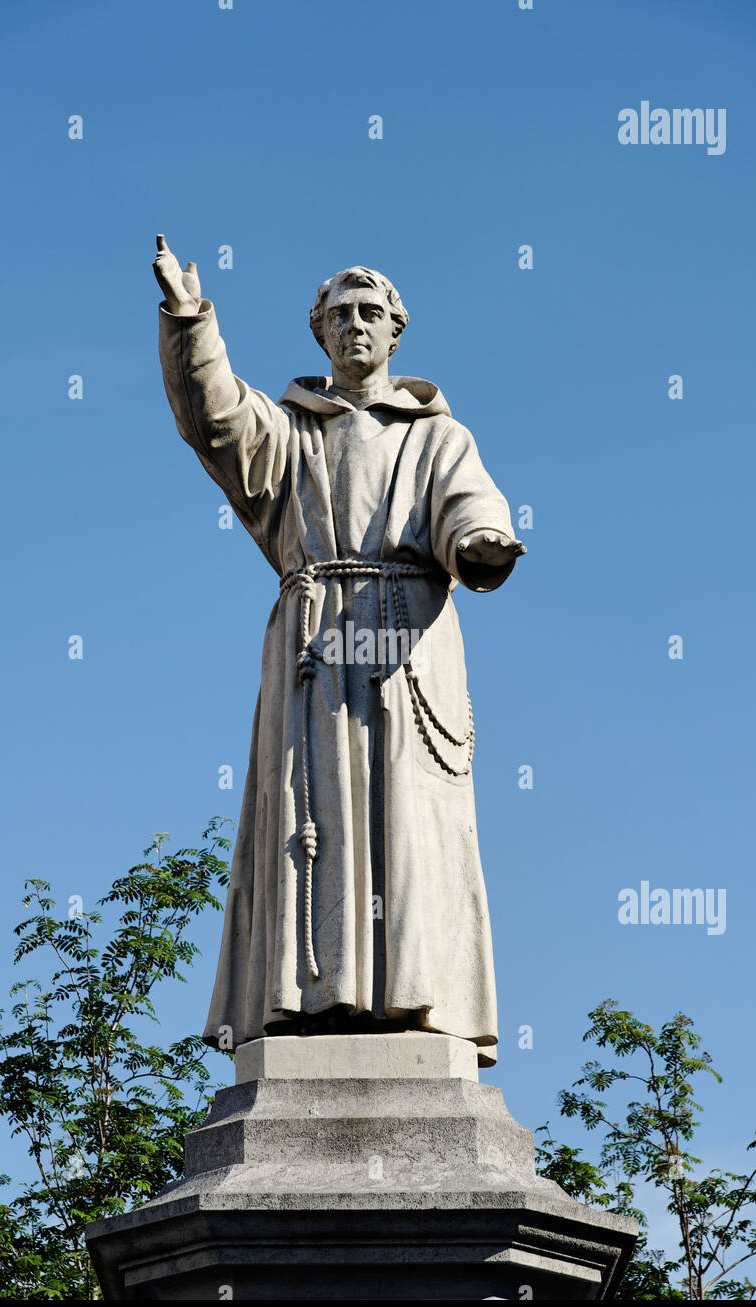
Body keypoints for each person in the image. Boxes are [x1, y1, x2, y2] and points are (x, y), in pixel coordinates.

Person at [153, 236, 524, 1065]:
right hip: (316, 642)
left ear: (396, 331)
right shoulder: (287, 435)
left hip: (405, 639)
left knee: (409, 819)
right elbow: (212, 418)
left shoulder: (437, 436)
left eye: (369, 313)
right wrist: (188, 321)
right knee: (309, 820)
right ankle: (312, 996)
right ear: (318, 332)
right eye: (338, 315)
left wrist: (482, 541)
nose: (354, 325)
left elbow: (471, 508)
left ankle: (412, 996)